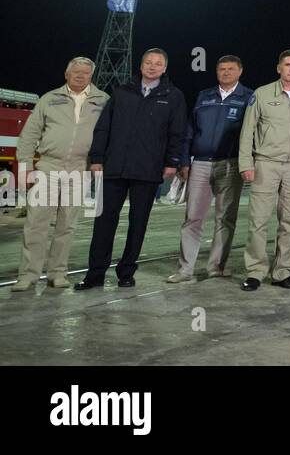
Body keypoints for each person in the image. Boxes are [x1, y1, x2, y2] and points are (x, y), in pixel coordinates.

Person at [77, 48, 187, 290]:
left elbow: (177, 132)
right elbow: (103, 127)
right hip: (114, 167)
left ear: (164, 68)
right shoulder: (122, 92)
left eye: (158, 63)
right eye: (148, 62)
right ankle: (94, 274)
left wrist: (172, 162)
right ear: (141, 65)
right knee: (104, 222)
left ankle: (126, 272)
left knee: (138, 224)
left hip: (147, 170)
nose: (152, 66)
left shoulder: (173, 96)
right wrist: (97, 157)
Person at [13, 57, 107, 291]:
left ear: (91, 76)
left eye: (85, 72)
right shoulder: (49, 99)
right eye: (75, 71)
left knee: (67, 225)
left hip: (79, 169)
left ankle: (57, 273)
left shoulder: (103, 101)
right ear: (66, 74)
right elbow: (29, 135)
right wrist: (25, 168)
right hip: (48, 168)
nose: (80, 75)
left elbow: (109, 135)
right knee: (36, 224)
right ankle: (28, 275)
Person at [167, 55, 254, 283]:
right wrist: (184, 161)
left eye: (231, 69)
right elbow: (189, 131)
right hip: (201, 163)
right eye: (221, 69)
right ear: (216, 72)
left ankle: (216, 267)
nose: (226, 73)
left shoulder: (249, 97)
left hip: (230, 163)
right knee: (193, 218)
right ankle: (185, 270)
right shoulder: (204, 96)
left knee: (225, 218)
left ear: (240, 71)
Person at [238, 49, 290, 292]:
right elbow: (247, 130)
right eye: (288, 65)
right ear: (279, 68)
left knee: (289, 221)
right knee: (258, 221)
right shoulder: (261, 94)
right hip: (265, 163)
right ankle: (255, 271)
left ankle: (282, 271)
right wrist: (245, 164)